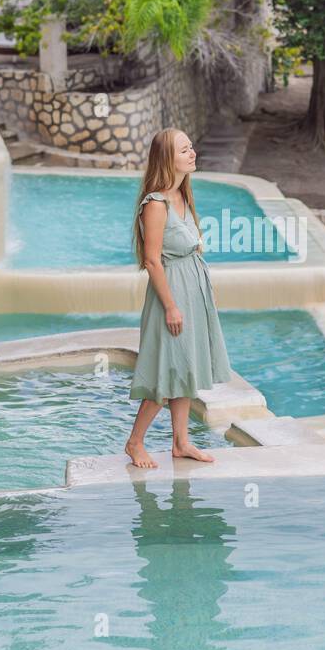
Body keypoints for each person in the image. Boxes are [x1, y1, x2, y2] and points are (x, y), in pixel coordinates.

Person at [124, 128, 234, 469]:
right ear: (167, 160)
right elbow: (153, 260)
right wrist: (171, 305)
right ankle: (135, 442)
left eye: (191, 147)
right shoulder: (156, 204)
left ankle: (181, 442)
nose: (193, 153)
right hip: (171, 294)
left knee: (186, 369)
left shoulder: (183, 197)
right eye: (184, 150)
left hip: (193, 291)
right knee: (166, 372)